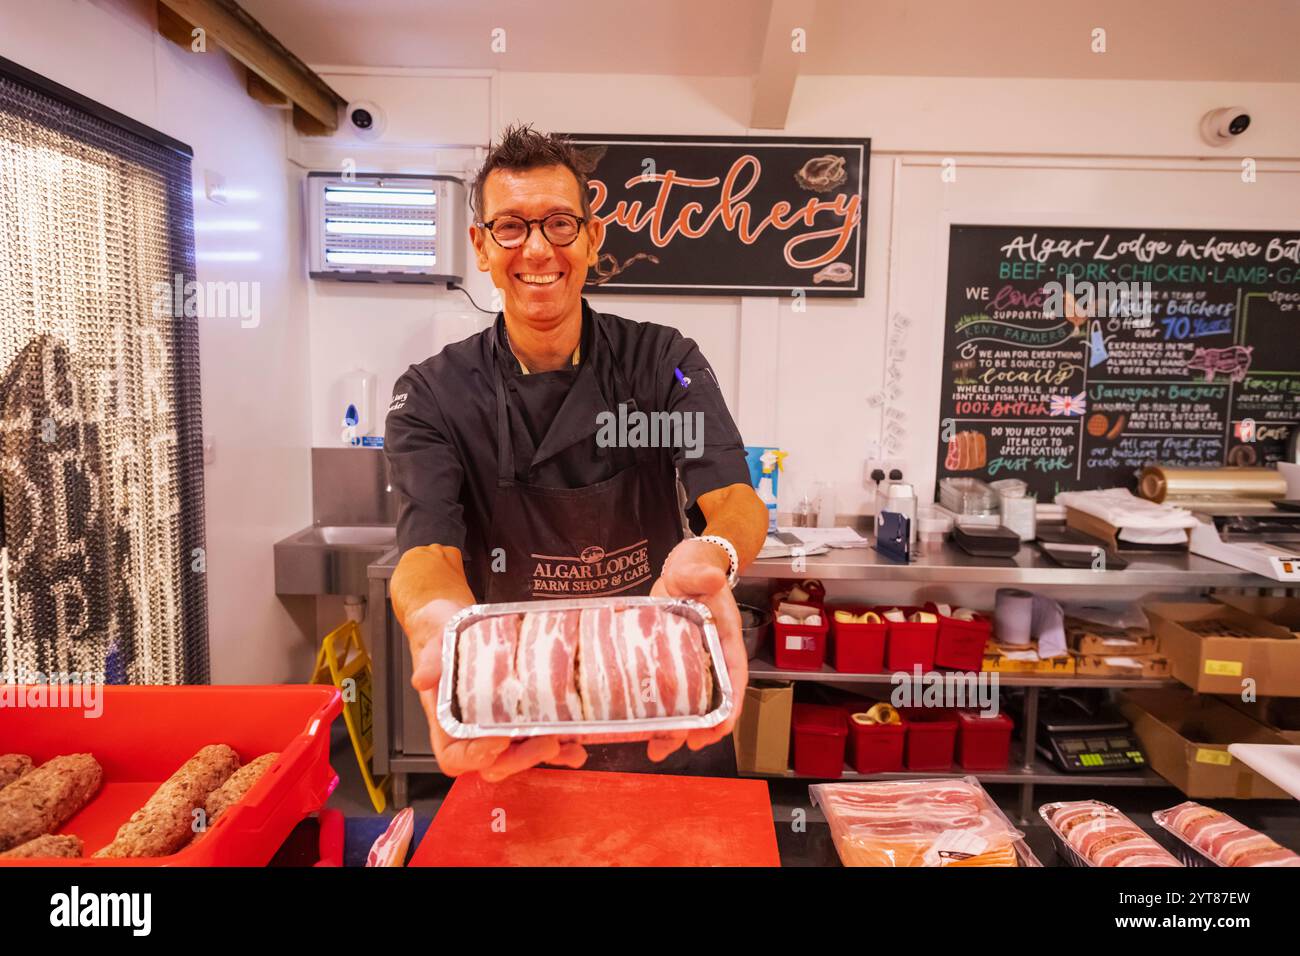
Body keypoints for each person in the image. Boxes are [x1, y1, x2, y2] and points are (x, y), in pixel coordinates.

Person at [385, 123, 767, 783]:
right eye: (511, 227)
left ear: (593, 237)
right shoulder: (432, 395)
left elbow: (732, 497)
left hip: (663, 699)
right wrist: (434, 619)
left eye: (561, 223)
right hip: (528, 714)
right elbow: (427, 552)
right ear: (480, 245)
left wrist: (715, 553)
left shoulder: (664, 363)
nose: (537, 249)